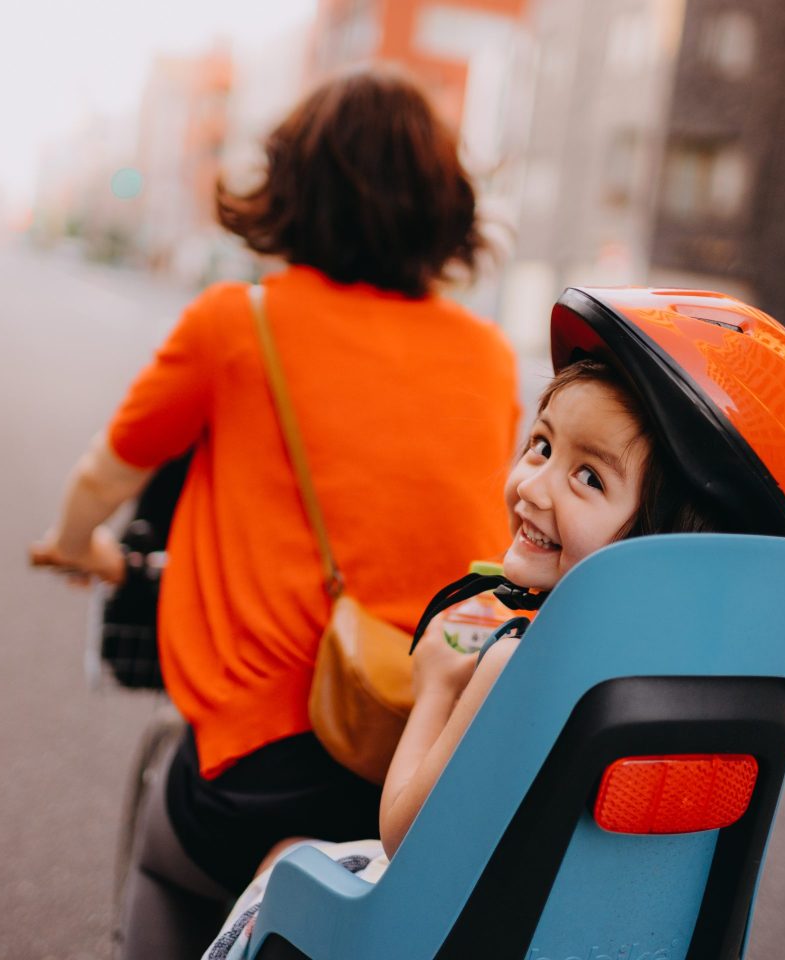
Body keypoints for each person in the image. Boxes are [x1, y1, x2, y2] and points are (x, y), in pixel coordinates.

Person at [198, 286, 785, 960]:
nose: (531, 486)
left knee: (287, 858)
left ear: (668, 530)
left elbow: (402, 833)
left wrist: (438, 687)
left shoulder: (518, 664)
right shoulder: (738, 690)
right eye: (541, 447)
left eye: (589, 478)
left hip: (438, 937)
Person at [28, 67, 520, 959]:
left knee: (168, 864)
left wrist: (73, 546)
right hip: (433, 777)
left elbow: (107, 476)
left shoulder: (236, 323)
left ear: (291, 189)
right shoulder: (489, 356)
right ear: (445, 207)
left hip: (260, 775)